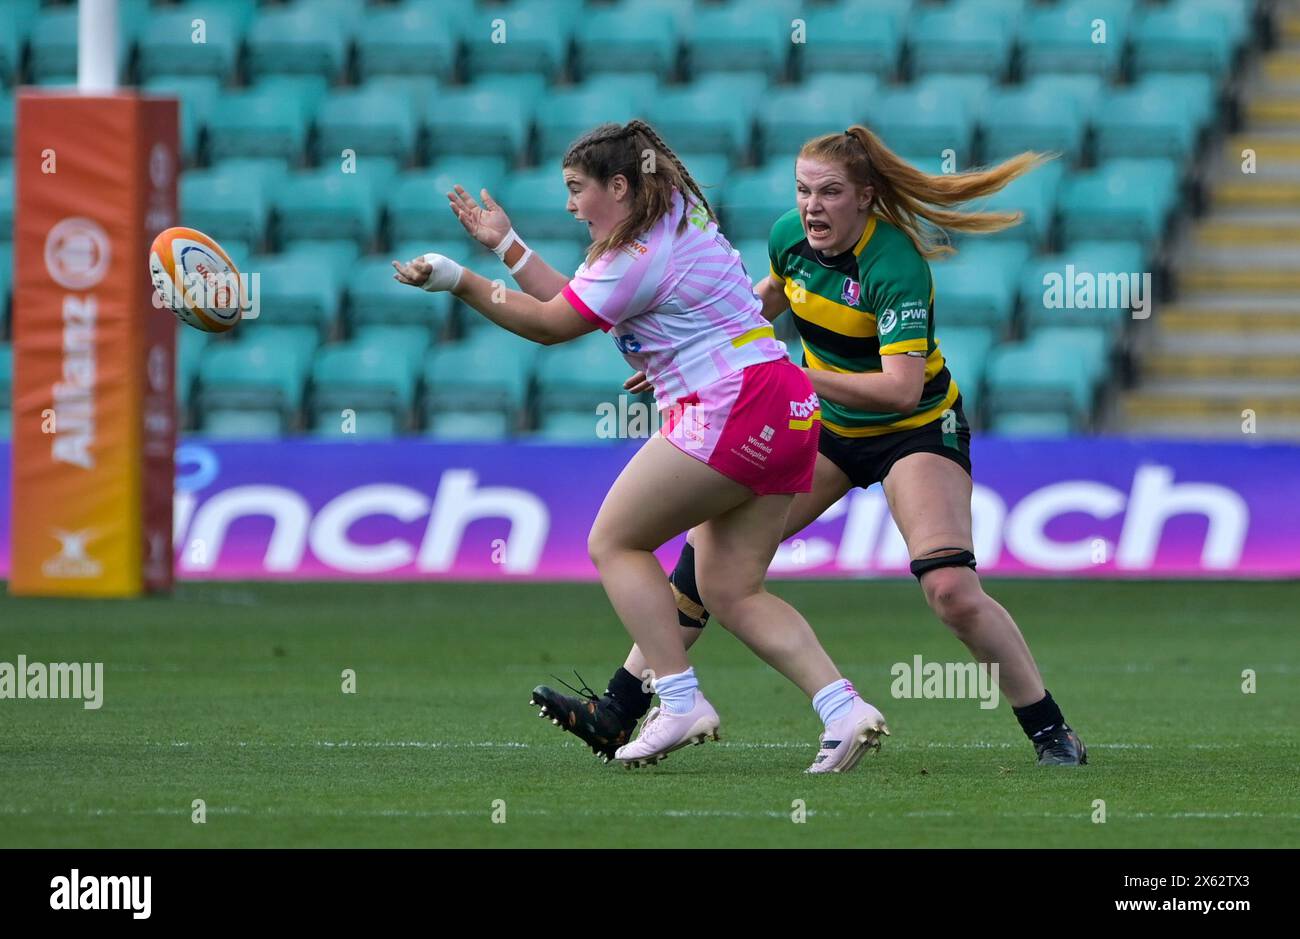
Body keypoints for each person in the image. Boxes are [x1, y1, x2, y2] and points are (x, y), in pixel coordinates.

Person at [531, 125, 1088, 767]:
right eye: (802, 190)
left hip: (913, 432)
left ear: (866, 198)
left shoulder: (894, 265)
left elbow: (900, 391)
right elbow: (760, 304)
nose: (811, 206)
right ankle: (619, 710)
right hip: (822, 424)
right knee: (711, 562)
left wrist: (792, 373)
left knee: (950, 590)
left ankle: (1050, 731)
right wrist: (698, 352)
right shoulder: (788, 238)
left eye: (829, 192)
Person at [396, 120, 888, 772]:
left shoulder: (634, 256)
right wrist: (507, 245)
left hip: (730, 404)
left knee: (612, 541)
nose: (571, 204)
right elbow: (577, 301)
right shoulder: (672, 216)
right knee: (731, 588)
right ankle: (842, 707)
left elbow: (553, 324)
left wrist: (458, 278)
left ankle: (679, 699)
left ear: (620, 186)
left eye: (577, 189)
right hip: (790, 405)